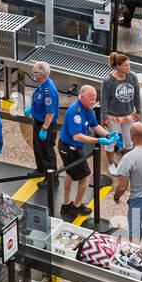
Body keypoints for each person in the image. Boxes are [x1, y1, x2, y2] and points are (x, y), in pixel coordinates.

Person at [58, 85, 108, 217]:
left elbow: (95, 125)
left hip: (75, 147)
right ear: (82, 97)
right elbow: (77, 136)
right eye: (91, 99)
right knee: (86, 176)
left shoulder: (89, 109)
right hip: (69, 148)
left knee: (70, 174)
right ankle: (76, 206)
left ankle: (66, 204)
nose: (94, 102)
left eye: (95, 99)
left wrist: (107, 135)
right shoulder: (75, 112)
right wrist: (98, 141)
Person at [100, 52, 140, 173]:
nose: (129, 67)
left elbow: (137, 95)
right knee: (111, 142)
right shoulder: (108, 81)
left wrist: (138, 110)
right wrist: (105, 117)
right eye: (126, 65)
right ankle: (111, 164)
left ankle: (126, 163)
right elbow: (104, 100)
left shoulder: (132, 77)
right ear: (118, 66)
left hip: (129, 115)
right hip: (113, 117)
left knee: (128, 141)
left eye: (129, 65)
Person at [26, 62, 60, 179]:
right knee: (38, 148)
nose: (32, 73)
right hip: (38, 121)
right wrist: (32, 109)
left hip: (46, 125)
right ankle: (41, 169)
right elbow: (39, 101)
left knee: (47, 152)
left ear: (41, 74)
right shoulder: (41, 84)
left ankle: (52, 177)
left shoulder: (49, 90)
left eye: (34, 72)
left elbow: (50, 113)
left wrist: (44, 128)